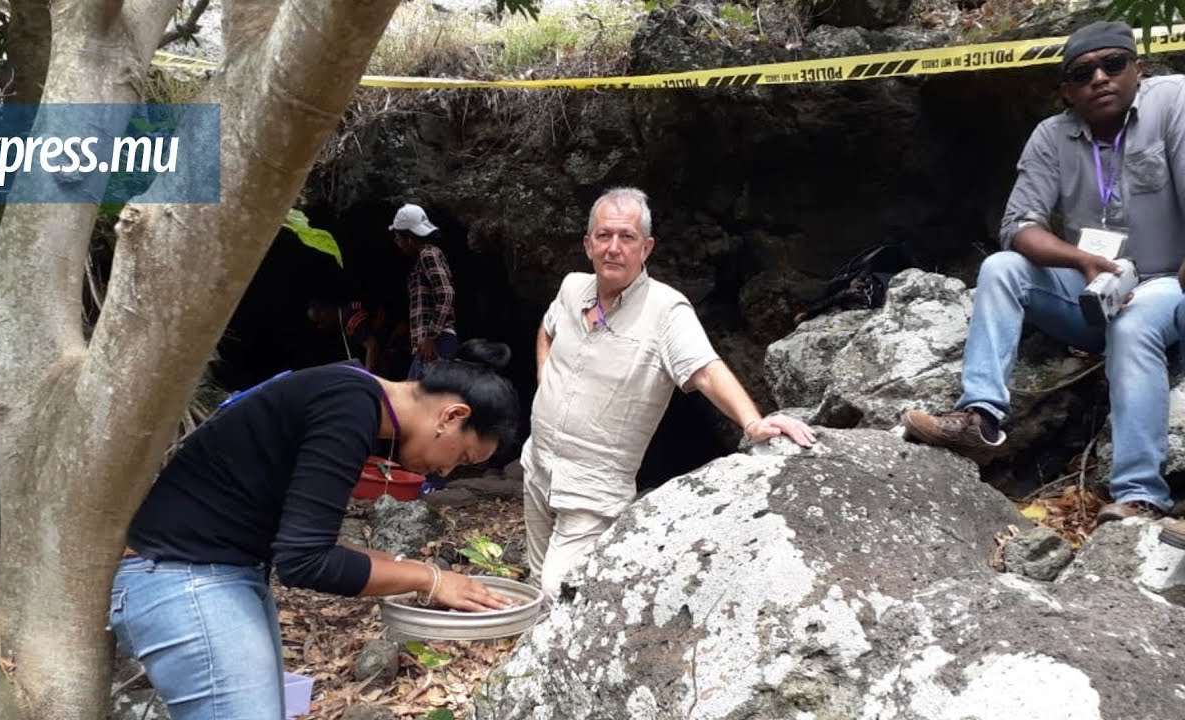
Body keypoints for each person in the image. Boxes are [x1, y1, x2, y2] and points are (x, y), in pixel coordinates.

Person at [109, 340, 518, 720]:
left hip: (214, 569)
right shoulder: (348, 406)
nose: (446, 471)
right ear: (452, 416)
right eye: (462, 458)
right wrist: (429, 579)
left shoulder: (350, 391)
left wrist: (413, 572)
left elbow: (308, 542)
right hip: (180, 574)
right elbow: (305, 561)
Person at [901, 21, 1185, 526]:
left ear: (1138, 69)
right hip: (1094, 286)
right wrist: (1080, 261)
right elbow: (1018, 226)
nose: (1099, 78)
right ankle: (980, 417)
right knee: (1001, 268)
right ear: (1066, 91)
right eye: (1082, 73)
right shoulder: (1052, 136)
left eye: (1113, 64)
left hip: (1168, 284)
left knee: (1133, 323)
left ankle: (1141, 494)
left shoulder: (1173, 101)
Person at [524, 187, 817, 602]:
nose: (613, 248)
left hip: (593, 489)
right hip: (538, 464)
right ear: (588, 244)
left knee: (558, 589)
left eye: (626, 237)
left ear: (646, 248)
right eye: (604, 236)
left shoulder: (666, 310)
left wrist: (753, 422)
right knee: (536, 580)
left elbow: (706, 371)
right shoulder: (573, 288)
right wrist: (545, 382)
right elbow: (547, 328)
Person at [389, 203, 459, 379]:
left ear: (409, 238)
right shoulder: (424, 258)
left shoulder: (428, 254)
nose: (397, 242)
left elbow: (446, 294)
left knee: (418, 392)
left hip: (437, 341)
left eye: (398, 237)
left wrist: (430, 337)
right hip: (429, 344)